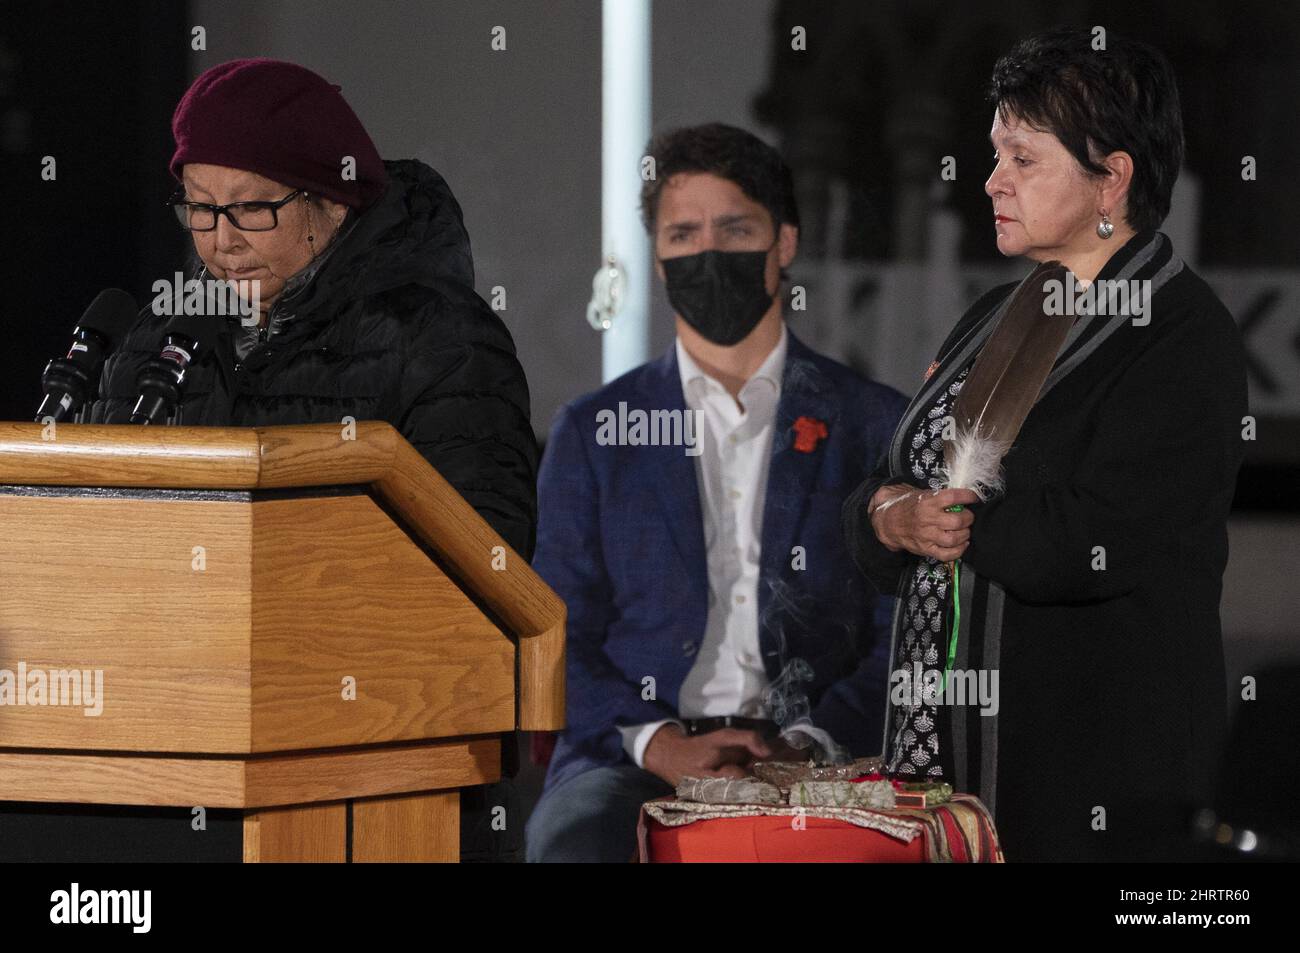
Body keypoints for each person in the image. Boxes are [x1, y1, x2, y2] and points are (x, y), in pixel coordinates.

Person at [86, 57, 537, 862]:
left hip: (384, 767)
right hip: (170, 750)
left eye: (250, 208)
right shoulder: (160, 343)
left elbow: (484, 569)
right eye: (199, 208)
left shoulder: (440, 340)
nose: (221, 240)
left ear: (330, 201)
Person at [842, 28, 1248, 862]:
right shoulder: (993, 314)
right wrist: (888, 516)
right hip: (944, 759)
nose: (992, 180)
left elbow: (1096, 538)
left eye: (1023, 159)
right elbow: (887, 479)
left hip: (1092, 773)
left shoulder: (1182, 332)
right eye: (997, 154)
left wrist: (949, 519)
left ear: (1112, 178)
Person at [526, 123, 907, 862]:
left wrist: (810, 741)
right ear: (658, 259)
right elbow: (555, 634)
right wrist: (662, 745)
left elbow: (903, 632)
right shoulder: (594, 432)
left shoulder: (873, 422)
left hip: (821, 761)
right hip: (627, 762)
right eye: (683, 234)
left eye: (734, 229)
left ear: (784, 243)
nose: (708, 252)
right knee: (575, 844)